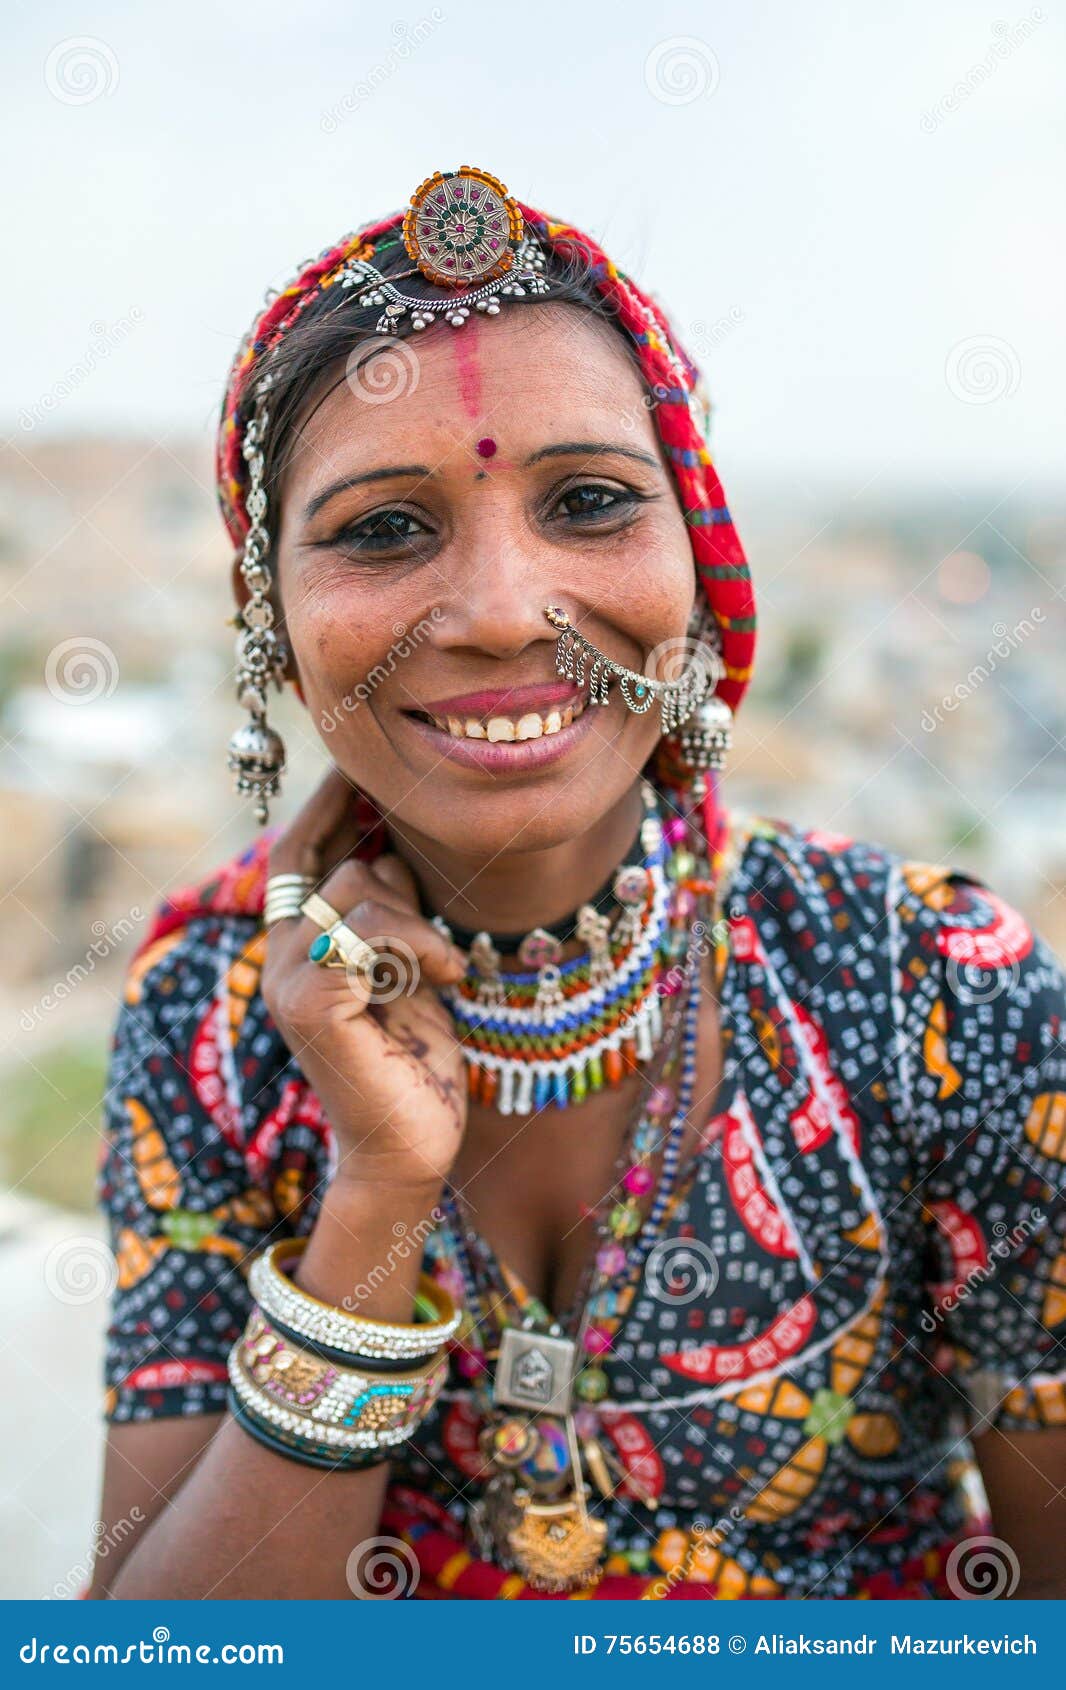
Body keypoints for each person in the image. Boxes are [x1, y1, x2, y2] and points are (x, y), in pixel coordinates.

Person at [88, 166, 1066, 1600]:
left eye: (592, 502)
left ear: (701, 565)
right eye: (382, 528)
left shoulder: (935, 992)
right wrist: (374, 1193)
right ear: (268, 621)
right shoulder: (212, 1016)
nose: (501, 612)